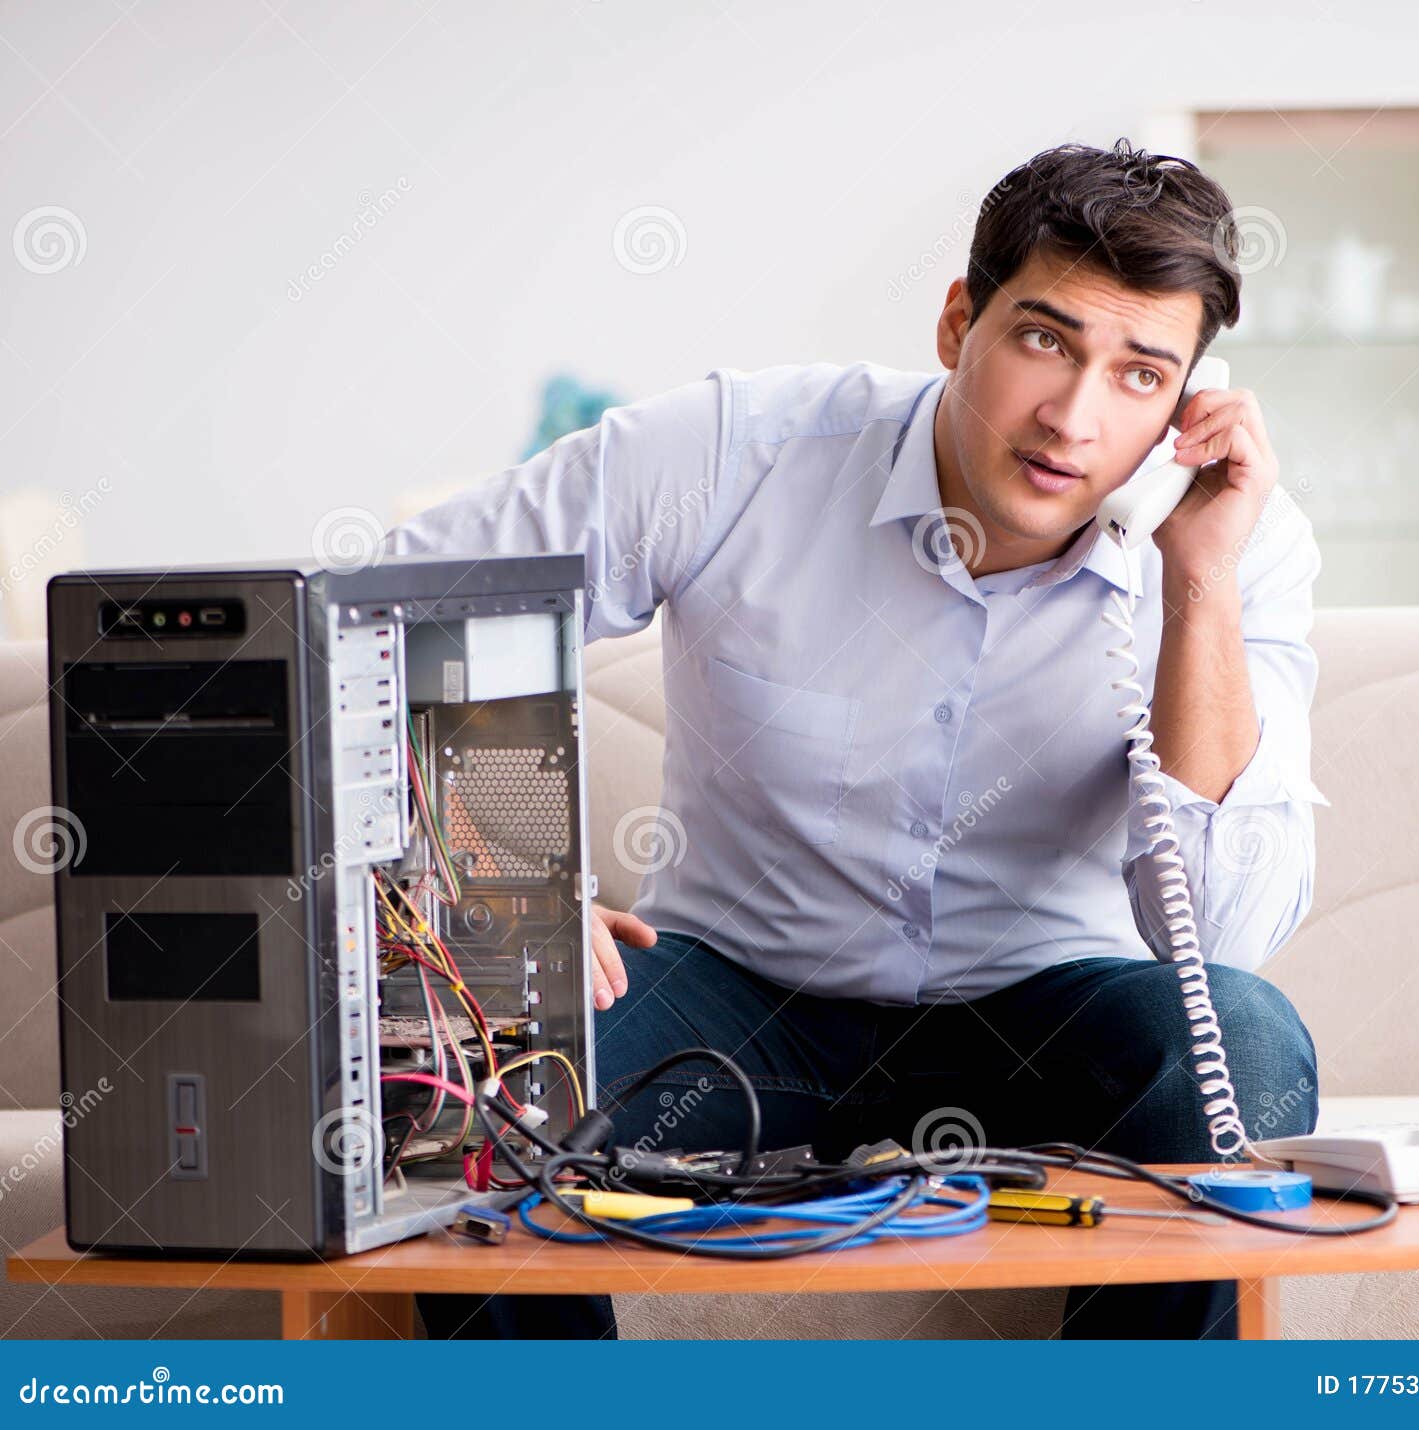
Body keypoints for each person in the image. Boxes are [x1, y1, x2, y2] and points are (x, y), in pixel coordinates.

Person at [386, 137, 1328, 1341]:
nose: (1073, 418)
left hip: (1045, 1010)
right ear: (957, 325)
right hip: (737, 995)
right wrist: (502, 877)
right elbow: (404, 614)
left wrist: (1198, 581)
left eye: (1140, 374)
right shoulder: (734, 450)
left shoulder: (1238, 542)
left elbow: (1224, 939)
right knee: (486, 1077)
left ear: (1190, 402)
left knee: (1240, 1044)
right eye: (1043, 339)